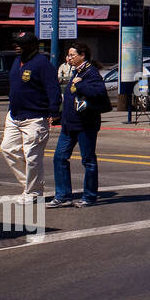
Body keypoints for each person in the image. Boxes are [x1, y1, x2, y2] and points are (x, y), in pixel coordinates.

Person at [1, 31, 61, 204]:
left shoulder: (42, 64)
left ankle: (34, 192)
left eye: (21, 43)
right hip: (14, 115)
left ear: (33, 46)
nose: (16, 46)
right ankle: (29, 185)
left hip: (35, 118)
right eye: (15, 43)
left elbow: (53, 88)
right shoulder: (17, 62)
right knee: (8, 148)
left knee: (32, 157)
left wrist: (54, 111)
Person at [49, 43, 107, 208]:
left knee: (88, 160)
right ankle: (63, 195)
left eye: (72, 55)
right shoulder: (77, 72)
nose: (69, 58)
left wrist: (80, 84)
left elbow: (99, 92)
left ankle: (89, 196)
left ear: (83, 55)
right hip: (69, 124)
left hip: (85, 125)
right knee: (59, 158)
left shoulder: (90, 72)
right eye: (68, 55)